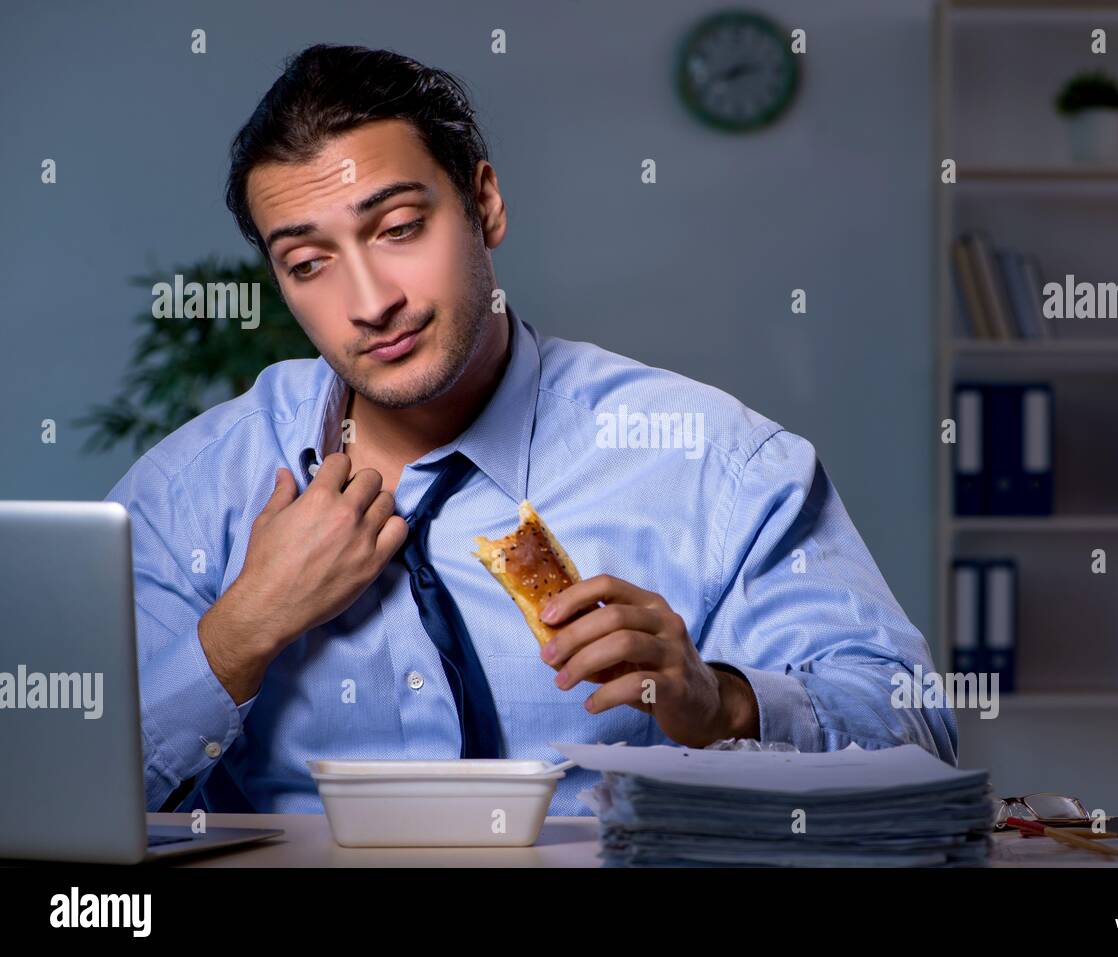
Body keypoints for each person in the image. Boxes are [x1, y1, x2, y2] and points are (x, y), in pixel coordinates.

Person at [106, 44, 956, 815]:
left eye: (399, 229)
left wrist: (724, 702)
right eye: (308, 263)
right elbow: (61, 790)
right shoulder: (191, 493)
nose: (369, 302)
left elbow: (916, 729)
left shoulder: (714, 462)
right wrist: (241, 631)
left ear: (484, 203)